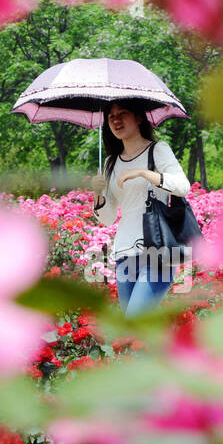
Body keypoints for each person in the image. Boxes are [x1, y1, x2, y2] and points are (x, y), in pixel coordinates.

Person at [87, 99, 192, 317]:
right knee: (133, 335)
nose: (116, 120)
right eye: (111, 116)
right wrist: (97, 193)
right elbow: (107, 218)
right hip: (125, 253)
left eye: (122, 113)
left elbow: (183, 187)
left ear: (139, 117)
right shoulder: (111, 163)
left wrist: (144, 173)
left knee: (133, 321)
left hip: (157, 251)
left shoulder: (158, 150)